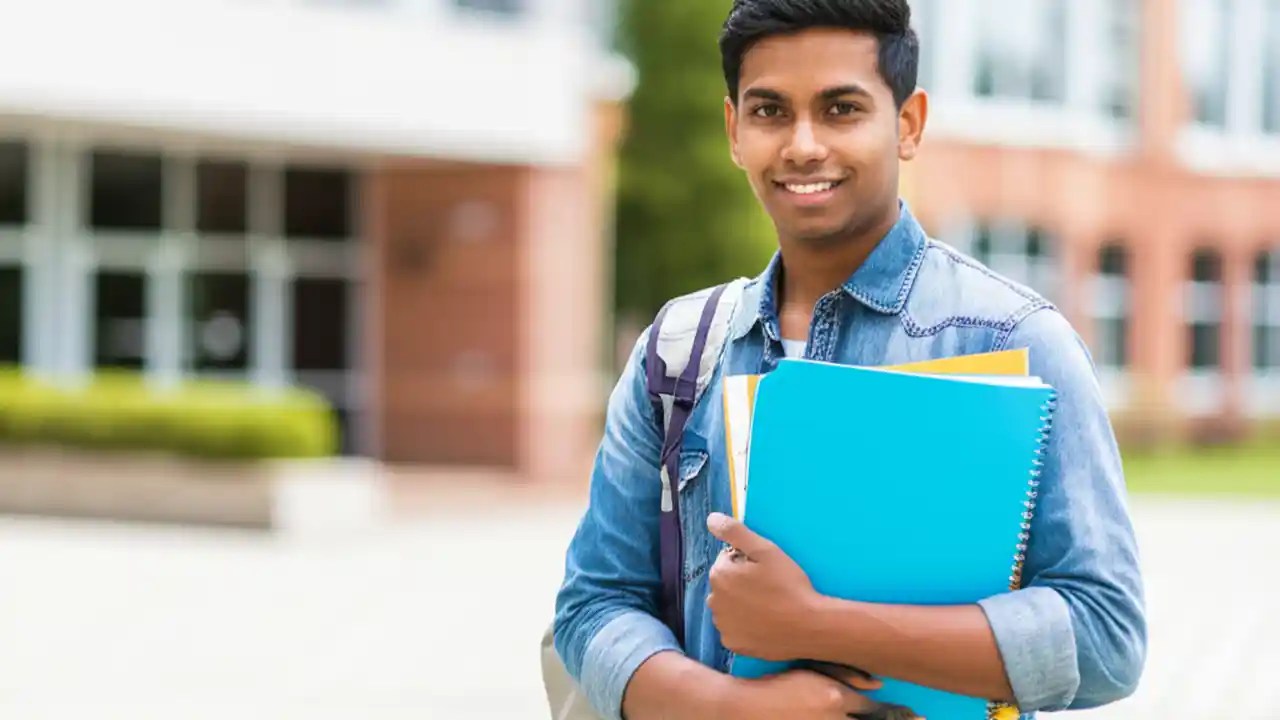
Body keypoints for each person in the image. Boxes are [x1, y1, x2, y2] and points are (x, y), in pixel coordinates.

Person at [552, 1, 1147, 718]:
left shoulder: (1013, 344)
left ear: (908, 124)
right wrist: (735, 711)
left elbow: (1108, 637)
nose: (803, 145)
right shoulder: (676, 353)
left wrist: (814, 622)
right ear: (734, 130)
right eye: (770, 111)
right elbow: (595, 603)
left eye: (840, 109)